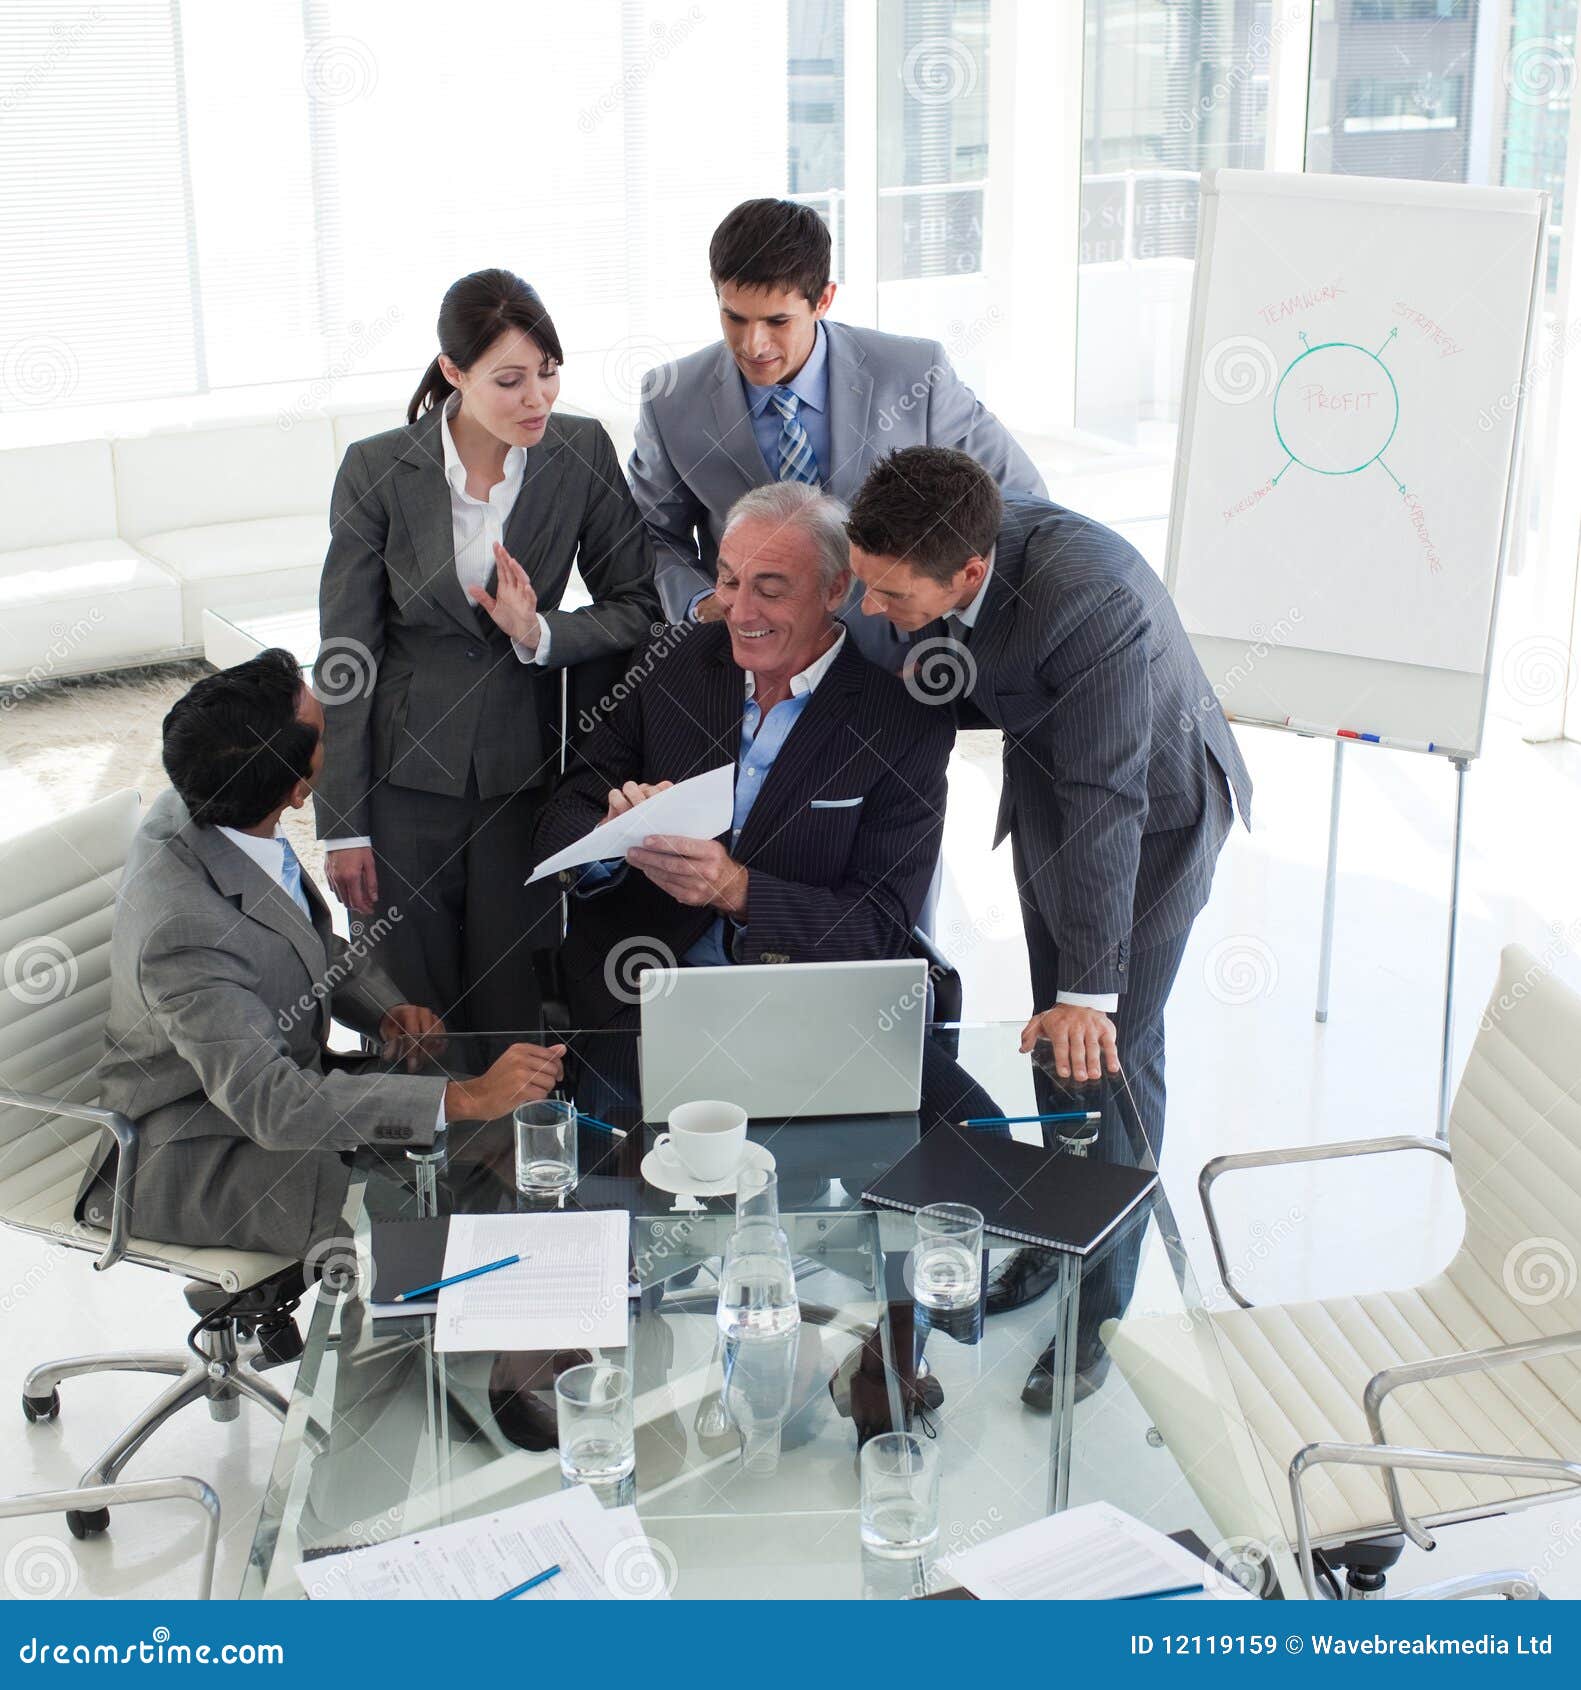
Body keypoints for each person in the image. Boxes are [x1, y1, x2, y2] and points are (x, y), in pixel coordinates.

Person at [844, 447, 1254, 1409]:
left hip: (1151, 819)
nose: (869, 606)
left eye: (889, 593)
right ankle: (1054, 1236)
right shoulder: (948, 536)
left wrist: (1089, 990)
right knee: (1049, 1040)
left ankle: (1099, 1317)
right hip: (1050, 795)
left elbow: (1108, 795)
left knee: (1108, 1053)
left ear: (967, 573)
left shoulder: (1087, 597)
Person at [83, 650, 565, 1261]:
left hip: (276, 1095)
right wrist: (466, 1098)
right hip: (200, 1151)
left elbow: (300, 939)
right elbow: (272, 1104)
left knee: (499, 1142)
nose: (335, 723)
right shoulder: (184, 935)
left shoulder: (214, 798)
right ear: (296, 791)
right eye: (323, 729)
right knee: (417, 1231)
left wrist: (383, 1010)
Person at [314, 269, 659, 1049]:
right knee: (411, 1014)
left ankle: (522, 1133)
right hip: (401, 779)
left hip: (524, 777)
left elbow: (639, 604)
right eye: (509, 380)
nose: (537, 398)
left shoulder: (580, 451)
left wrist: (539, 632)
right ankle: (423, 1135)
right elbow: (345, 652)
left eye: (548, 372)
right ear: (454, 372)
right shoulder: (376, 469)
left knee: (517, 1003)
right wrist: (342, 826)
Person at [533, 481, 954, 1036]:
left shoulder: (904, 725)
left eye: (770, 590)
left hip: (811, 1016)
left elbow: (878, 926)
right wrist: (609, 837)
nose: (738, 609)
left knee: (976, 1103)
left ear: (835, 589)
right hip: (635, 1001)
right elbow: (563, 816)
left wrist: (739, 892)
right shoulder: (666, 663)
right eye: (729, 580)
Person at [627, 198, 1045, 664]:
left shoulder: (914, 374)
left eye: (777, 321)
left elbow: (1021, 501)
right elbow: (649, 534)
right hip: (752, 664)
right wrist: (701, 602)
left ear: (823, 300)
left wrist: (956, 624)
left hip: (905, 660)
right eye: (735, 317)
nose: (753, 345)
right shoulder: (671, 398)